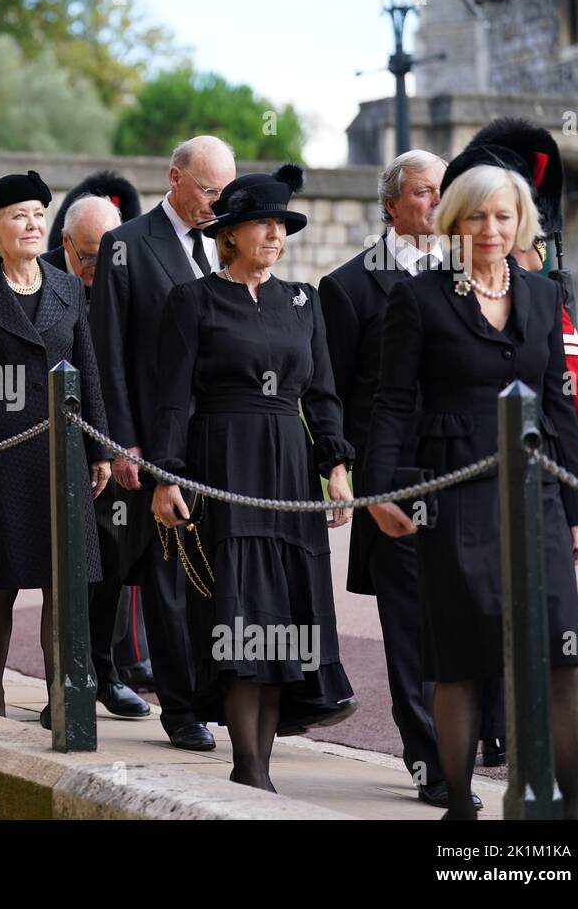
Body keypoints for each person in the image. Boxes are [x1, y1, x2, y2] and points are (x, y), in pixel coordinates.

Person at [362, 161, 578, 819]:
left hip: (537, 495)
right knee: (461, 659)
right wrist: (380, 489)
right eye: (476, 216)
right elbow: (393, 402)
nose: (490, 229)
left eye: (503, 216)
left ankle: (573, 812)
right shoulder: (419, 297)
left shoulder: (545, 297)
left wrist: (577, 505)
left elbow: (558, 406)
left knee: (560, 654)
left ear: (520, 222)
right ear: (452, 222)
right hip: (453, 493)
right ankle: (460, 807)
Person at [149, 165, 356, 791]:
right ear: (230, 234)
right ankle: (250, 767)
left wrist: (336, 466)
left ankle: (256, 767)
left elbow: (322, 393)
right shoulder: (193, 300)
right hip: (222, 463)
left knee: (282, 611)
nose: (275, 234)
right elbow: (170, 399)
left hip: (289, 472)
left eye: (281, 225)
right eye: (263, 223)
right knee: (238, 607)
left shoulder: (303, 301)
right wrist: (166, 478)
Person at [437, 118, 578, 777]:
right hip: (475, 471)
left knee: (542, 623)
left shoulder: (539, 290)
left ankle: (523, 739)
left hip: (537, 471)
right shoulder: (461, 291)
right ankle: (508, 739)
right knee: (486, 619)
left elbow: (568, 386)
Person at [317, 149, 470, 808]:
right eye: (423, 194)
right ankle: (428, 759)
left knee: (472, 614)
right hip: (393, 477)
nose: (435, 205)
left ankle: (488, 740)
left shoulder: (473, 276)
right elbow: (331, 391)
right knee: (410, 627)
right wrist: (341, 470)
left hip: (466, 474)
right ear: (390, 204)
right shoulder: (348, 287)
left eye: (444, 193)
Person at [0, 169, 112, 723]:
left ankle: (57, 698)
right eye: (20, 215)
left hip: (61, 455)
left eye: (39, 215)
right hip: (1, 457)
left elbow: (87, 369)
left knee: (62, 585)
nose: (32, 224)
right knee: (1, 586)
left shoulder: (67, 287)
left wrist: (100, 449)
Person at [89, 136, 237, 751]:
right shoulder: (125, 246)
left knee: (198, 582)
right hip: (147, 448)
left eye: (226, 191)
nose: (217, 202)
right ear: (174, 178)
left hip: (212, 444)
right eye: (208, 190)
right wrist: (122, 444)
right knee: (125, 578)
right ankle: (104, 685)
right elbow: (108, 353)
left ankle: (196, 703)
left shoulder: (228, 241)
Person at [40, 192, 150, 720]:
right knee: (57, 573)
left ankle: (104, 673)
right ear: (65, 244)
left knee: (107, 563)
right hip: (42, 444)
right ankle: (59, 690)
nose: (96, 269)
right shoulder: (37, 277)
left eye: (106, 257)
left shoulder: (123, 274)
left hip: (106, 443)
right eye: (87, 257)